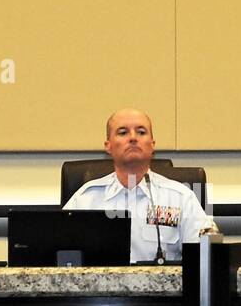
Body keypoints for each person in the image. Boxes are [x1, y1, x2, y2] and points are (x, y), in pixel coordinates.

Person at [63, 108, 211, 264]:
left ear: (152, 144)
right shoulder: (85, 200)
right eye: (123, 132)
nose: (133, 138)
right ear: (108, 146)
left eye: (141, 132)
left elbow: (204, 257)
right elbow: (59, 257)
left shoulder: (180, 198)